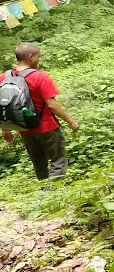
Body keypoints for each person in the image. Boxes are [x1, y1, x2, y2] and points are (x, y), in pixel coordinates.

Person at [2, 43, 79, 183]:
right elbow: (52, 105)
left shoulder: (4, 77)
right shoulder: (39, 76)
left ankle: (44, 189)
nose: (38, 59)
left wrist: (5, 129)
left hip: (24, 128)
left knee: (38, 161)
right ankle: (50, 194)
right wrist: (71, 121)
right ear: (31, 57)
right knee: (59, 161)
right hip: (47, 127)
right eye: (38, 56)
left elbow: (2, 105)